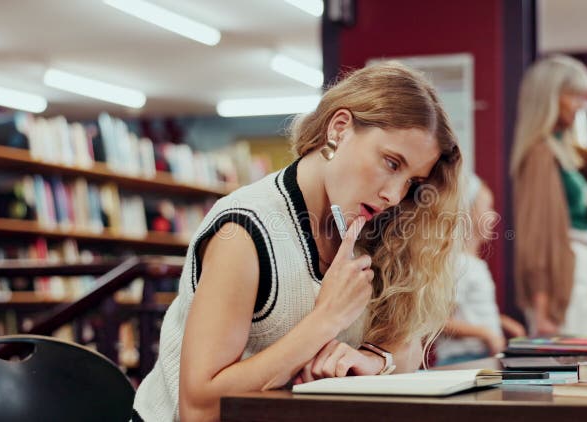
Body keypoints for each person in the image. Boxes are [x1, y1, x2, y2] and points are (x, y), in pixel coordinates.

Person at [132, 62, 462, 421]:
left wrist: (371, 359)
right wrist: (324, 321)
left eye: (412, 182)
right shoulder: (243, 229)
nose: (395, 195)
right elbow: (201, 408)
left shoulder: (373, 226)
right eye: (392, 163)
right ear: (340, 129)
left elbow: (407, 345)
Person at [510, 55, 587, 337]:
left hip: (572, 270)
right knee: (572, 367)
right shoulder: (540, 153)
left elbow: (563, 214)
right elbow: (537, 235)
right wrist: (542, 309)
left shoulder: (560, 150)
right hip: (558, 282)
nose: (581, 105)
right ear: (550, 97)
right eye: (574, 96)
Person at [434, 174, 526, 366]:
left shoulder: (475, 263)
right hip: (461, 361)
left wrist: (502, 322)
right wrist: (486, 334)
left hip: (480, 356)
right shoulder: (458, 263)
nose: (494, 215)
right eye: (488, 208)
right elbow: (441, 322)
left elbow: (470, 311)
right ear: (466, 213)